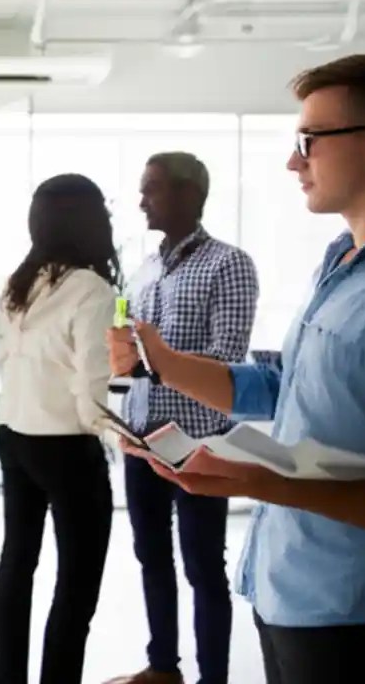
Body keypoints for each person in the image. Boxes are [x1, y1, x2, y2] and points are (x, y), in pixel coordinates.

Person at [108, 52, 365, 684]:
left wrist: (259, 481)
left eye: (309, 141)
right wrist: (163, 363)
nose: (293, 161)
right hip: (286, 587)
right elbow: (284, 388)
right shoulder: (342, 260)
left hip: (357, 609)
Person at [106, 152, 259, 684]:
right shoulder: (144, 268)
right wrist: (118, 390)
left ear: (191, 195)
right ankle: (162, 667)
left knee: (201, 566)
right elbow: (127, 355)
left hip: (198, 440)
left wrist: (153, 365)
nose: (142, 199)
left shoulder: (228, 264)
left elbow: (227, 362)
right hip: (140, 436)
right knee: (151, 557)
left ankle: (212, 678)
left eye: (153, 189)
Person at [0, 174, 119, 684]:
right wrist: (121, 439)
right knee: (76, 585)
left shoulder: (17, 284)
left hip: (15, 438)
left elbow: (4, 361)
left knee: (16, 566)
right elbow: (92, 387)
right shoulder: (90, 288)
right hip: (68, 450)